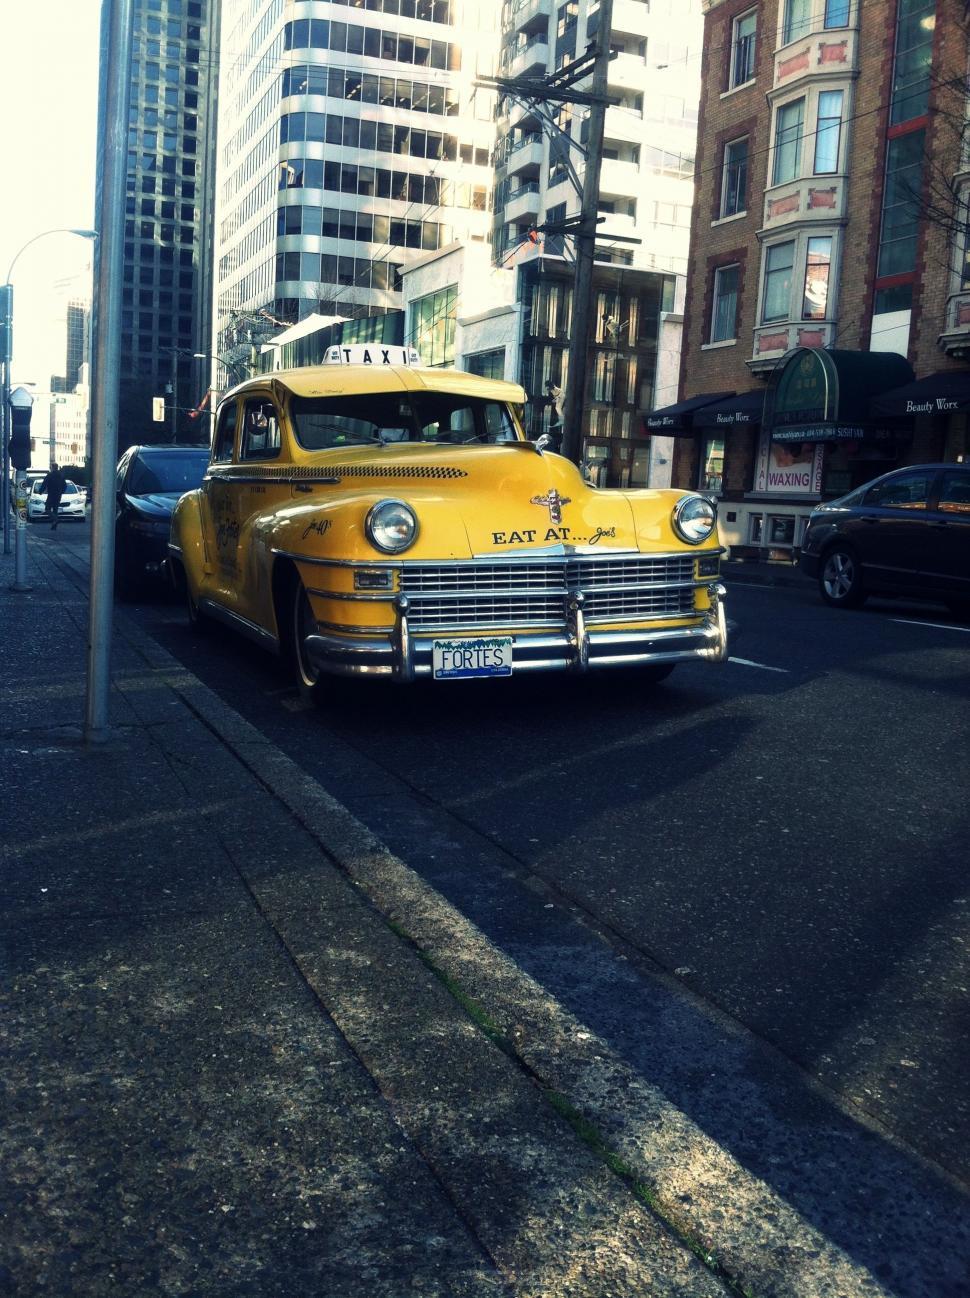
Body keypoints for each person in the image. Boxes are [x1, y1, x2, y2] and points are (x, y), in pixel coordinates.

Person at [40, 463, 67, 530]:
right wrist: (62, 492)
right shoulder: (61, 475)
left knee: (47, 509)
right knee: (55, 509)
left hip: (51, 494)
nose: (50, 468)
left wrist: (40, 491)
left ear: (52, 467)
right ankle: (54, 526)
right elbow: (65, 485)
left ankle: (55, 519)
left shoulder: (50, 475)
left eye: (50, 467)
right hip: (58, 495)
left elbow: (44, 484)